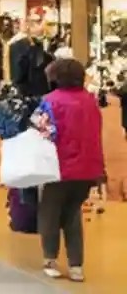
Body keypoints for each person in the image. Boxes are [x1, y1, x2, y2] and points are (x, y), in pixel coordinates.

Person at [32, 58, 105, 282]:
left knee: (50, 213)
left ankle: (50, 259)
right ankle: (76, 265)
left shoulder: (50, 102)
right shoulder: (90, 102)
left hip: (58, 168)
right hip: (88, 168)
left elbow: (39, 130)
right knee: (73, 214)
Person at [11, 13, 53, 98]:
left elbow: (18, 72)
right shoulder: (24, 44)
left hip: (28, 90)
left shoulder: (22, 44)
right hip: (34, 90)